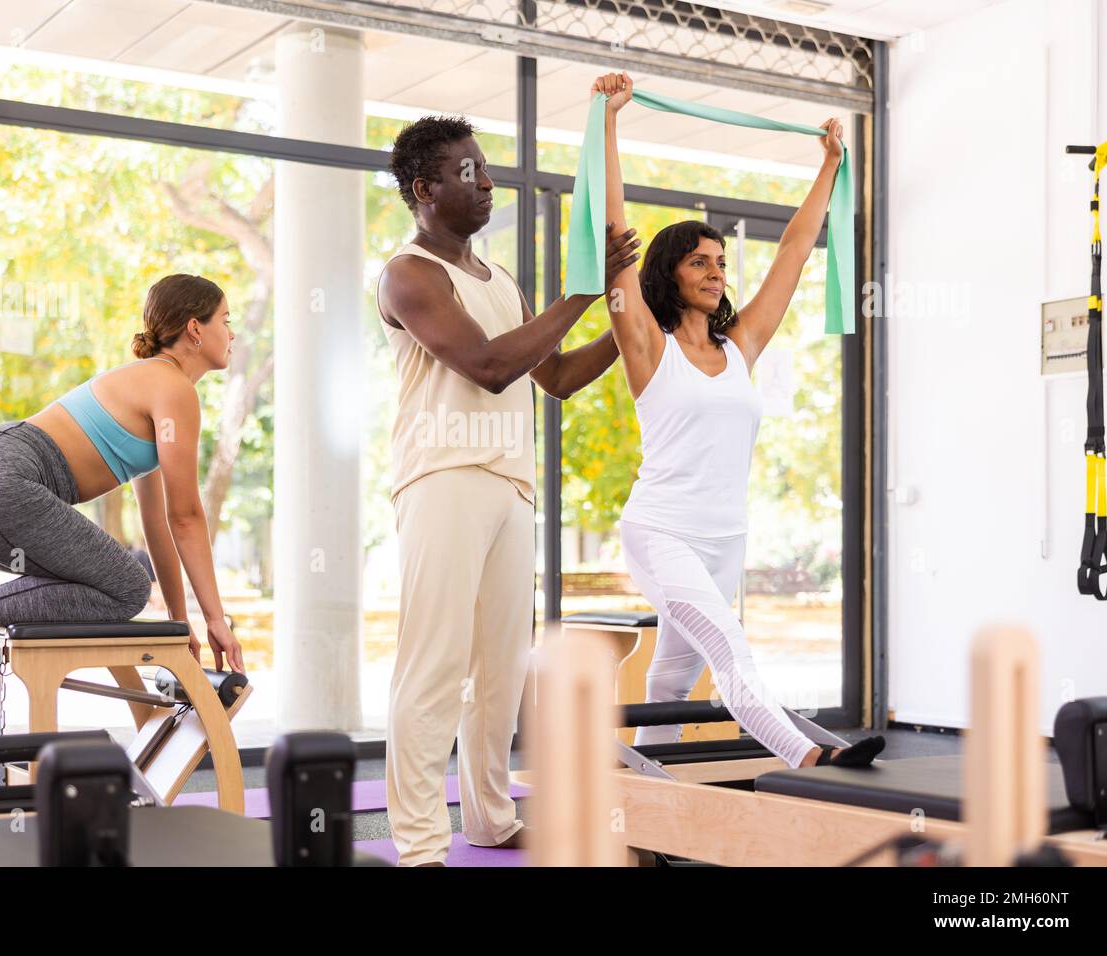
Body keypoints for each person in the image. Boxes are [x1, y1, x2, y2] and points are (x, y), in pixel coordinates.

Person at [594, 71, 882, 768]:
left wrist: (830, 166)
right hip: (662, 529)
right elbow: (616, 234)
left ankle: (638, 782)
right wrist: (606, 122)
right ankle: (808, 761)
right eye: (700, 262)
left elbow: (791, 252)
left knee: (672, 677)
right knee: (730, 646)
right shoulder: (648, 348)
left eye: (721, 262)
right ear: (669, 272)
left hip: (725, 538)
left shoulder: (740, 344)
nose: (716, 272)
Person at [378, 113, 639, 865]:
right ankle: (421, 844)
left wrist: (626, 329)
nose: (487, 182)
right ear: (425, 189)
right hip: (444, 478)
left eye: (486, 168)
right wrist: (583, 294)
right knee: (433, 666)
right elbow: (488, 365)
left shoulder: (501, 279)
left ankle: (488, 820)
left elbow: (551, 378)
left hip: (510, 486)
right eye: (469, 172)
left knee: (499, 671)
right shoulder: (409, 273)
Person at [0, 274, 246, 678]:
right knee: (127, 588)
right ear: (195, 328)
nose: (232, 334)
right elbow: (187, 516)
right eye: (226, 321)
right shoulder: (175, 389)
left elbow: (159, 522)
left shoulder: (149, 382)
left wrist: (179, 626)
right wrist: (216, 619)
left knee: (108, 583)